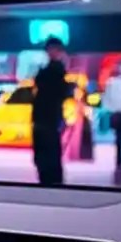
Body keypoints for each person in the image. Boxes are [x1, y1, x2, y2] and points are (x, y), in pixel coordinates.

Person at [31, 37, 70, 186]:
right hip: (42, 117)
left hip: (50, 117)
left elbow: (59, 93)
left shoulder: (56, 71)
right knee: (43, 152)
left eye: (54, 49)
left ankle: (51, 180)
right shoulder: (48, 69)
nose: (50, 52)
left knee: (49, 153)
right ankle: (48, 179)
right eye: (49, 49)